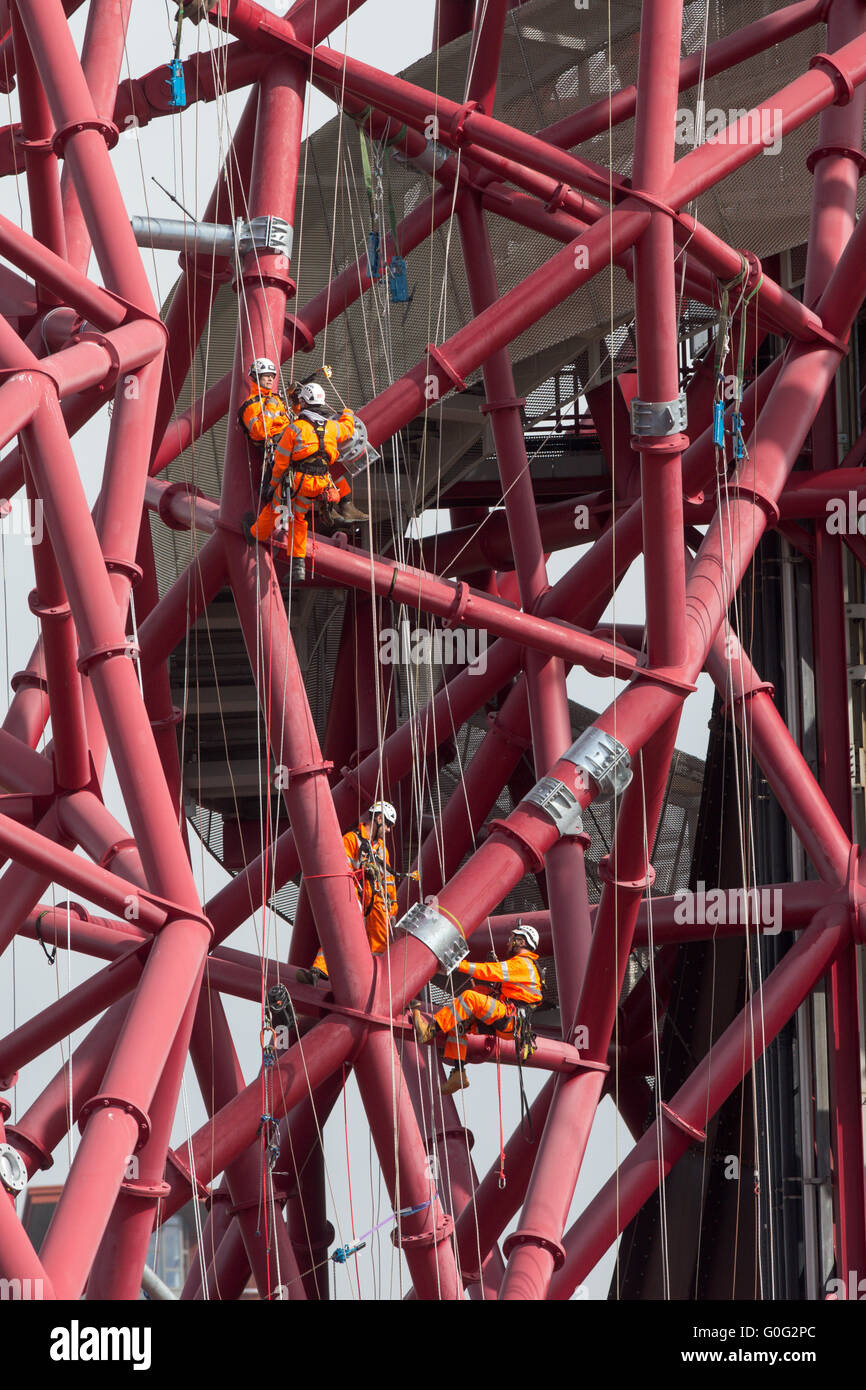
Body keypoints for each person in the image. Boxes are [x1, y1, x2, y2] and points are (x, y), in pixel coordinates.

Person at [240, 361, 367, 583]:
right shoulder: (252, 405)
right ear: (255, 377)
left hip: (293, 467)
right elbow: (259, 431)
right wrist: (346, 412)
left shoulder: (290, 418)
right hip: (307, 469)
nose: (270, 379)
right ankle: (300, 560)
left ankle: (255, 534)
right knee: (322, 482)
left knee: (276, 509)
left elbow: (282, 457)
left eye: (271, 375)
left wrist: (271, 485)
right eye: (265, 376)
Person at [412, 923, 542, 1094]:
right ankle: (458, 1073)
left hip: (509, 1017)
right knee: (460, 1021)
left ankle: (429, 1030)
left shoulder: (523, 964)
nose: (508, 943)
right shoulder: (522, 965)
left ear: (521, 941)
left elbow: (490, 971)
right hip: (509, 1020)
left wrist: (459, 965)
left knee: (469, 998)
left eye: (512, 939)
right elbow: (504, 983)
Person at [298, 801, 398, 984]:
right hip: (354, 897)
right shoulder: (351, 840)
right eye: (388, 825)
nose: (389, 830)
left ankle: (378, 982)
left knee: (380, 944)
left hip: (375, 903)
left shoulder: (382, 849)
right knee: (342, 932)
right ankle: (319, 970)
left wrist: (392, 908)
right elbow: (341, 870)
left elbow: (388, 881)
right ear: (378, 819)